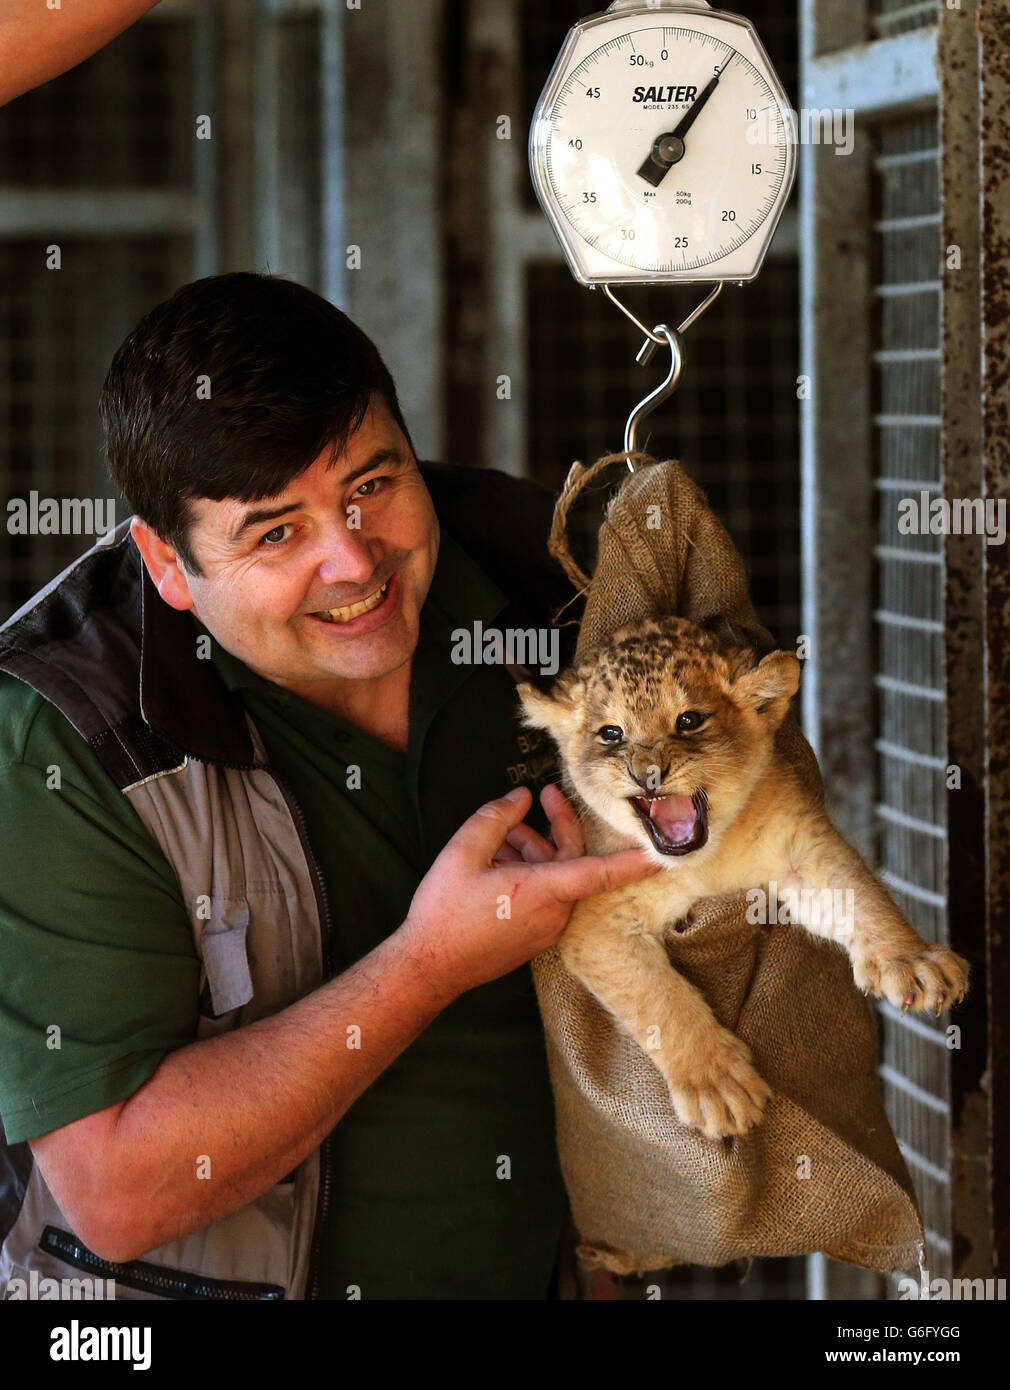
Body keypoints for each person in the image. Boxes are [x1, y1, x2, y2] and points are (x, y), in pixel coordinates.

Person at [0, 272, 658, 1300]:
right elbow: (117, 1189)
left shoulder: (559, 592)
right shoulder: (63, 729)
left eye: (371, 484)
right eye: (276, 533)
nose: (353, 560)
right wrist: (428, 963)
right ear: (167, 566)